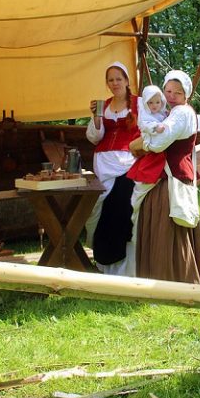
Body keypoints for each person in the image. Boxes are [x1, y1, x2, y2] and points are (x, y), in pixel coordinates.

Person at [127, 70, 200, 283]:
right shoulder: (169, 113)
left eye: (177, 92)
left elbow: (160, 143)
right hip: (164, 178)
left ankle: (174, 280)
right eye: (168, 91)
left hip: (173, 180)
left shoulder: (182, 112)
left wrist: (140, 145)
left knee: (168, 231)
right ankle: (158, 279)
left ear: (186, 94)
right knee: (160, 228)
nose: (171, 96)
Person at [84, 61, 140, 275]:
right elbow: (94, 137)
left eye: (119, 78)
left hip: (130, 163)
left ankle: (126, 267)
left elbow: (151, 127)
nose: (115, 83)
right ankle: (104, 263)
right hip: (103, 165)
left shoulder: (139, 104)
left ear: (127, 81)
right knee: (101, 209)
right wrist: (97, 119)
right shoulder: (103, 106)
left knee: (123, 210)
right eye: (111, 80)